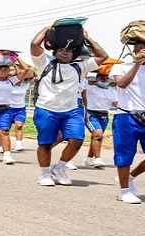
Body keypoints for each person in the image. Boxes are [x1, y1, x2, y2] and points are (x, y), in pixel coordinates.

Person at [30, 26, 108, 186]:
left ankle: (59, 168)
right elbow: (34, 45)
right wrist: (46, 29)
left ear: (75, 53)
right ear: (54, 51)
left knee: (77, 140)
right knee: (45, 143)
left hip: (71, 111)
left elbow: (103, 56)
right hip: (46, 109)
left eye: (70, 50)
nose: (65, 52)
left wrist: (87, 37)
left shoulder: (80, 67)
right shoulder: (44, 63)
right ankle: (44, 174)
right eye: (61, 49)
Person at [109, 41, 145, 204]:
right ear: (134, 51)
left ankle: (131, 177)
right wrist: (136, 64)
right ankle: (124, 190)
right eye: (139, 49)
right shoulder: (120, 67)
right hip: (126, 117)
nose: (142, 52)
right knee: (125, 155)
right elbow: (122, 84)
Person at [83, 73, 117, 168]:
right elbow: (82, 85)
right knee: (98, 134)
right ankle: (98, 158)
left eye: (106, 78)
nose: (104, 80)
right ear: (97, 78)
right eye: (102, 78)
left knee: (96, 137)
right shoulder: (90, 88)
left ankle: (89, 158)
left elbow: (116, 103)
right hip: (91, 114)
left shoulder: (112, 91)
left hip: (104, 115)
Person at [8, 68, 32, 152]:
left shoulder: (24, 86)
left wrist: (30, 70)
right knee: (6, 128)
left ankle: (19, 144)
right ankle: (2, 146)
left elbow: (35, 77)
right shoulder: (8, 85)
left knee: (19, 125)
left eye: (22, 78)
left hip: (20, 109)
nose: (20, 80)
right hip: (8, 108)